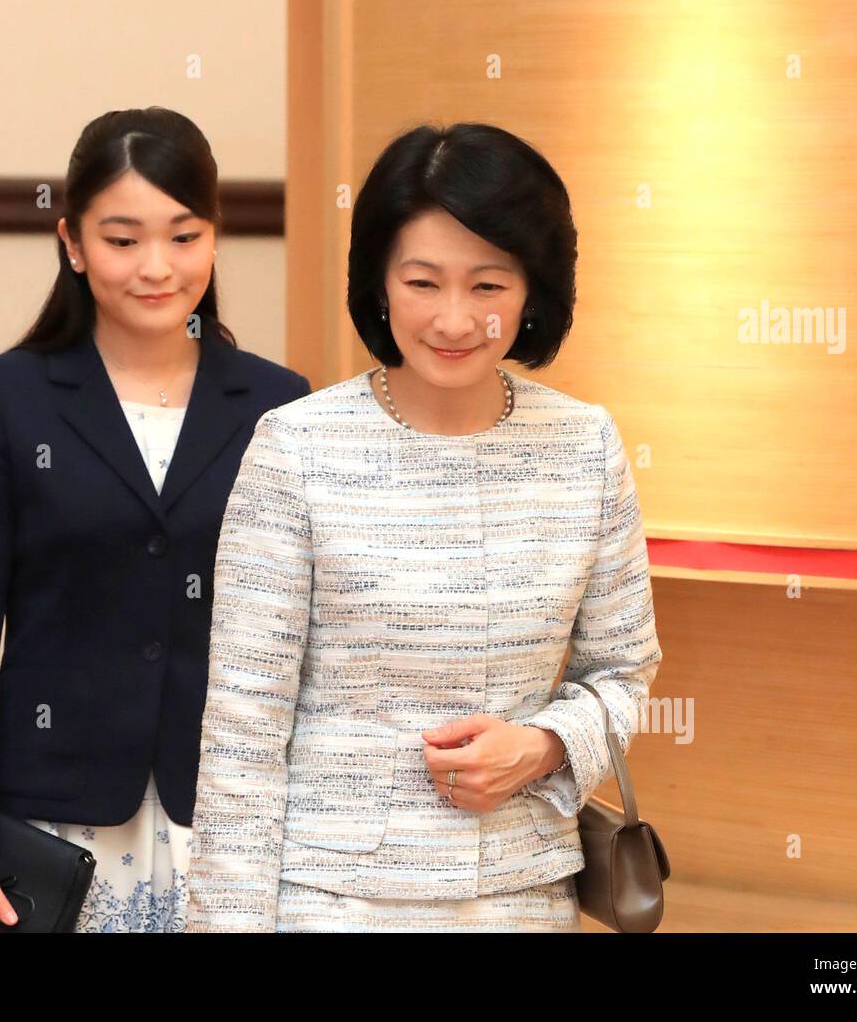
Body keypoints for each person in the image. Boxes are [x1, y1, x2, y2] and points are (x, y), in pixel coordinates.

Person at [185, 122, 663, 932]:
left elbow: (622, 674)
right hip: (331, 904)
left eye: (488, 286)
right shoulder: (296, 447)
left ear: (533, 293)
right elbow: (243, 732)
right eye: (422, 282)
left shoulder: (585, 447)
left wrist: (542, 745)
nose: (452, 318)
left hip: (522, 900)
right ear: (378, 282)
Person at [0, 107, 311, 933]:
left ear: (215, 236)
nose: (156, 268)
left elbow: (315, 638)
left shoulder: (281, 405)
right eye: (123, 240)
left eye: (184, 236)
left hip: (238, 824)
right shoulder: (5, 399)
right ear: (72, 243)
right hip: (54, 827)